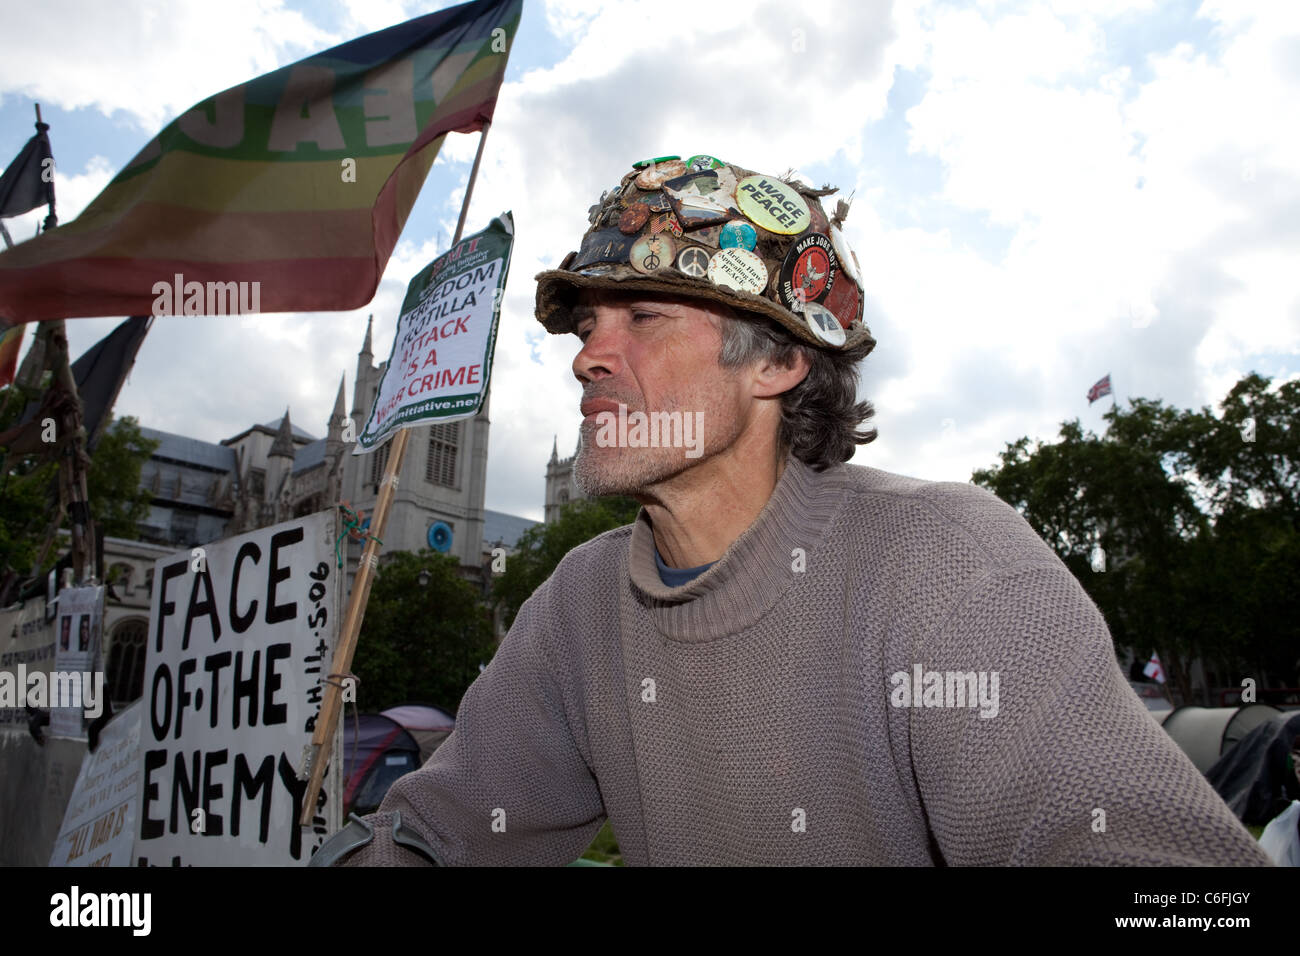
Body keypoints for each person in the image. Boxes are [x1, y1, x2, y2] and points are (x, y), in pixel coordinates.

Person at [315, 155, 1271, 866]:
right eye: (586, 322)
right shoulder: (580, 604)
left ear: (778, 363)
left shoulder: (949, 565)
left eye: (641, 317)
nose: (585, 356)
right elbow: (438, 834)